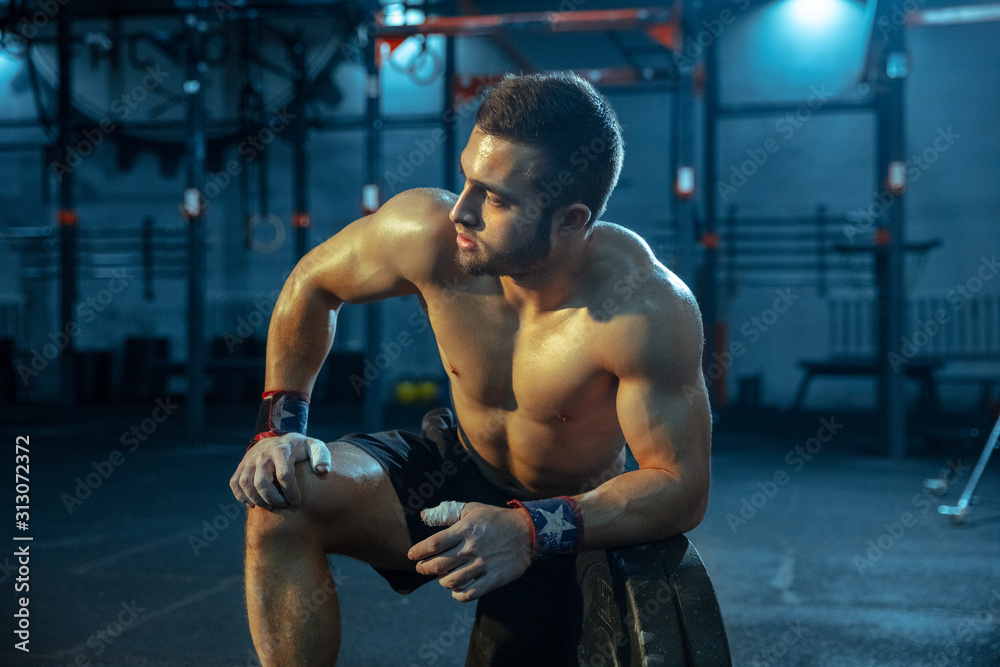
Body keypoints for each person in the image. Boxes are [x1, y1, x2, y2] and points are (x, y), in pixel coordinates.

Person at [230, 71, 712, 666]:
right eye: (467, 179)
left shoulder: (643, 309)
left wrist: (533, 530)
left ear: (570, 219)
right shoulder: (428, 236)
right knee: (282, 499)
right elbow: (313, 283)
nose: (462, 210)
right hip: (451, 465)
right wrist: (281, 428)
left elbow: (680, 487)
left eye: (498, 198)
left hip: (560, 517)